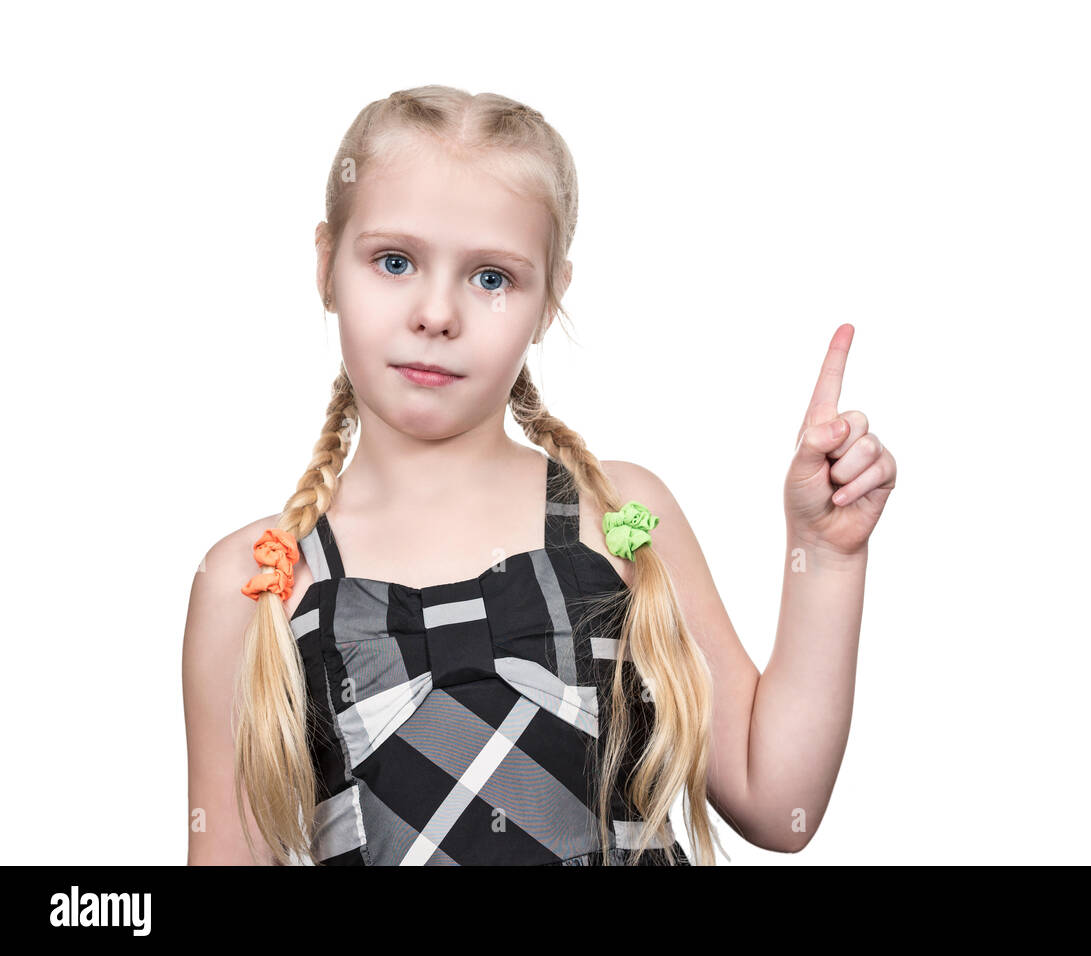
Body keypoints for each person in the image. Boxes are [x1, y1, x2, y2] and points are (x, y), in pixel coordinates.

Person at [182, 84, 896, 866]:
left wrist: (826, 555)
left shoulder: (620, 515)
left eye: (492, 278)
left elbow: (778, 804)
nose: (437, 312)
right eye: (394, 261)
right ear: (326, 265)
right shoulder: (254, 580)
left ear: (549, 298)